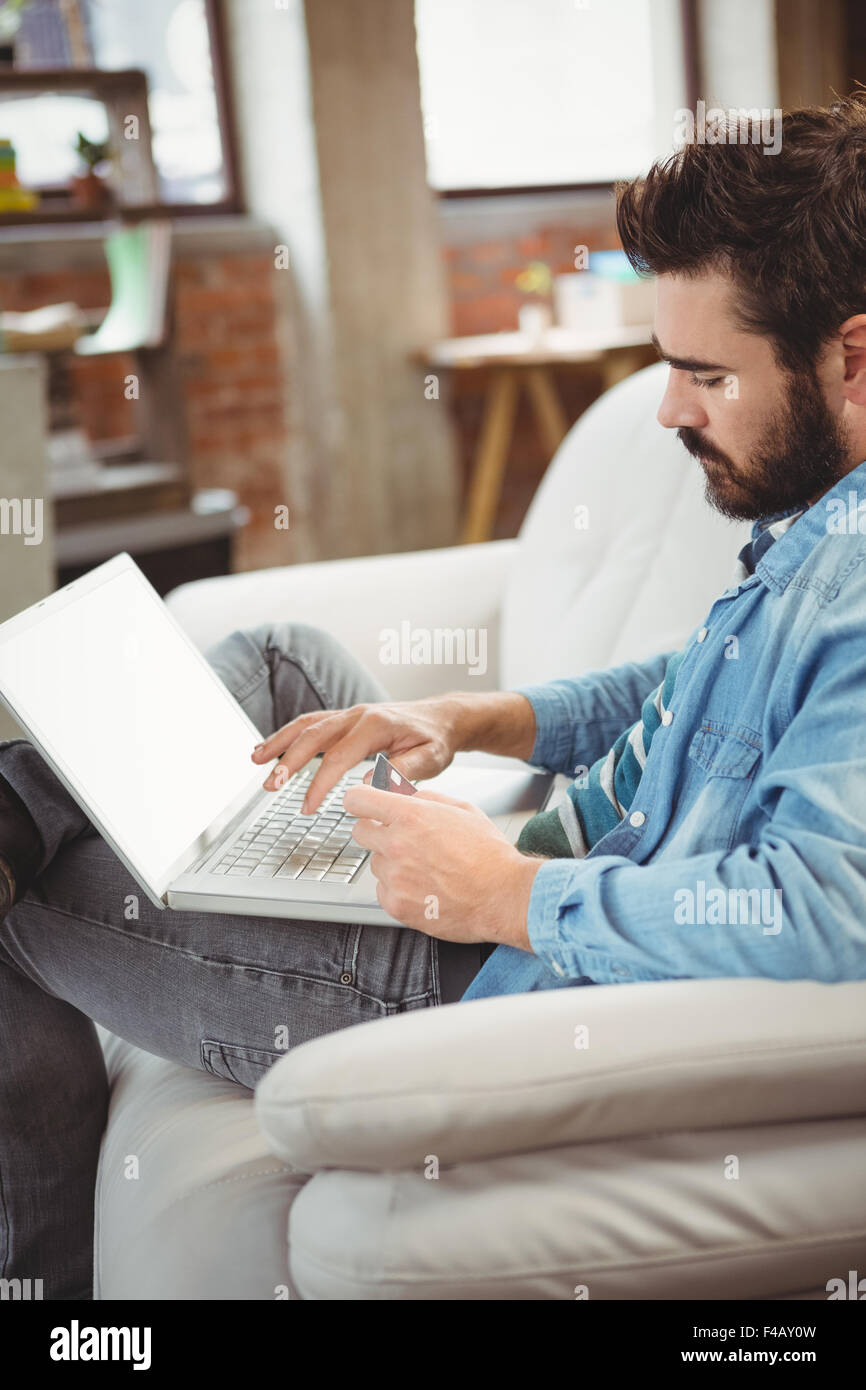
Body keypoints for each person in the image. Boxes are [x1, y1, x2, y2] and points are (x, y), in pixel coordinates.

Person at [3, 94, 866, 1299]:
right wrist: (466, 719)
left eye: (702, 374)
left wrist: (504, 891)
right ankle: (22, 810)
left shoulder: (854, 583)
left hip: (484, 974)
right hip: (513, 873)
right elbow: (687, 686)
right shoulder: (819, 533)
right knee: (279, 652)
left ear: (851, 356)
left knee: (23, 906)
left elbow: (825, 913)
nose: (669, 409)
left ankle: (36, 1294)